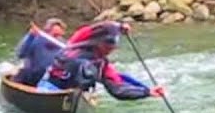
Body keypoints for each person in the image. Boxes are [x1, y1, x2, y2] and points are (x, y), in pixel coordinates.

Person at [38, 21, 166, 101]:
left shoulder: (102, 65)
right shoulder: (78, 40)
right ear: (99, 42)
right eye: (108, 45)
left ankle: (146, 88)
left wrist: (147, 92)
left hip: (75, 95)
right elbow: (100, 27)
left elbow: (118, 90)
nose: (111, 49)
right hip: (50, 87)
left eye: (113, 46)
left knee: (113, 75)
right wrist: (119, 26)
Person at [11, 17, 67, 85]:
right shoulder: (35, 38)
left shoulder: (63, 45)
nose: (56, 38)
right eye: (54, 35)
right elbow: (20, 54)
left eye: (59, 35)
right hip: (29, 76)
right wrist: (30, 36)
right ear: (47, 32)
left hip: (49, 80)